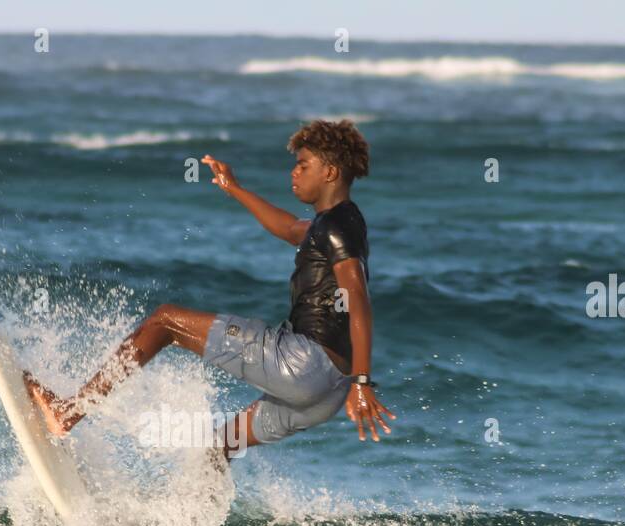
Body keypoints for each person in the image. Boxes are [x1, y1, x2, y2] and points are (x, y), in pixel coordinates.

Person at [23, 118, 394, 463]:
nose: (293, 173)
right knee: (218, 447)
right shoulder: (336, 222)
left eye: (303, 165)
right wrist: (235, 190)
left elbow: (357, 299)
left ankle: (67, 413)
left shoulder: (337, 227)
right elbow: (288, 229)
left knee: (164, 321)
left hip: (304, 364)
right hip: (326, 392)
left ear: (329, 172)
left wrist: (364, 381)